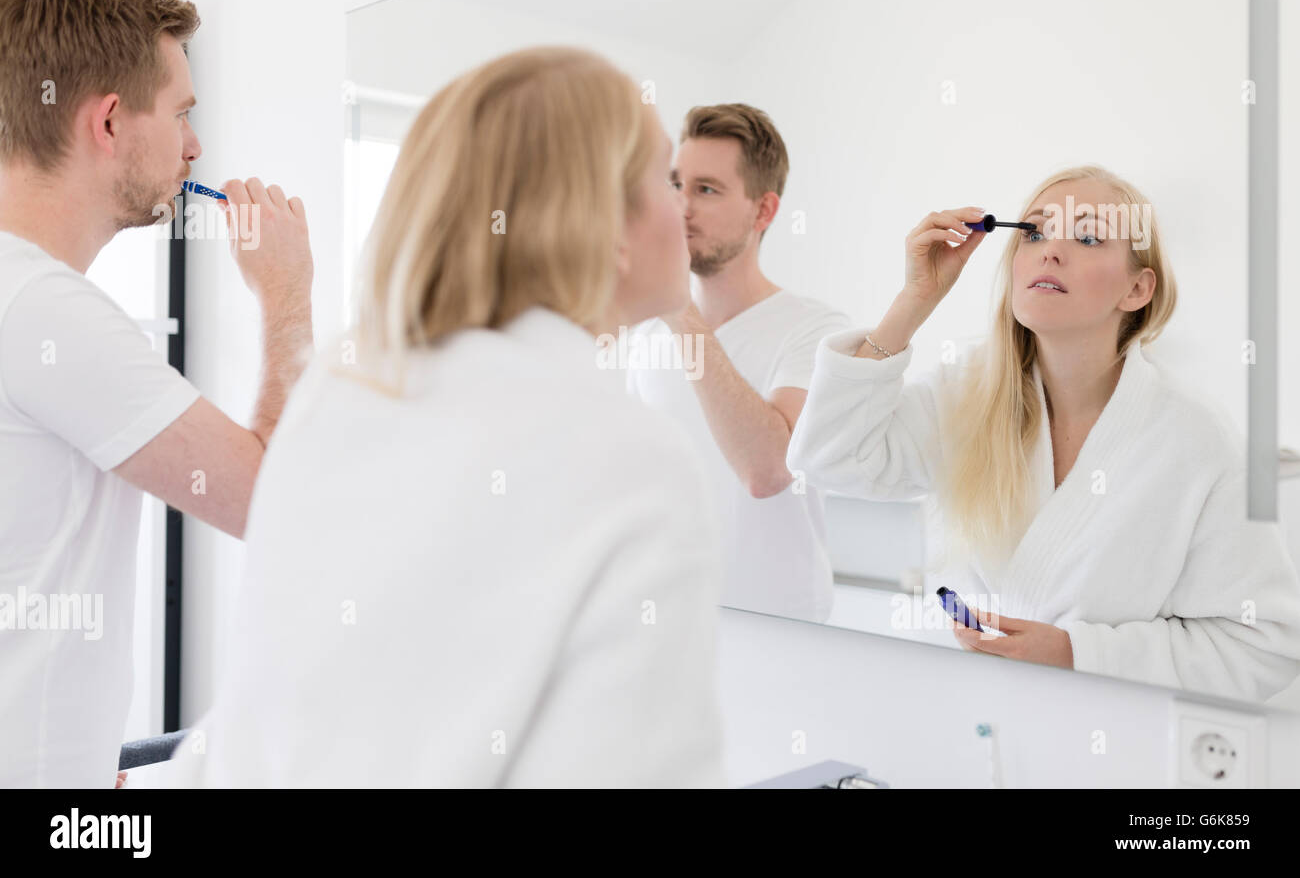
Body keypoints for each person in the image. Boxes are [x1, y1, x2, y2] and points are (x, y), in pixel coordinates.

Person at [161, 46, 727, 787]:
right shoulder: (635, 461)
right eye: (665, 177)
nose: (684, 207)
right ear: (605, 225)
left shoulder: (343, 384)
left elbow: (264, 713)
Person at [787, 165, 1300, 701]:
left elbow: (1264, 645)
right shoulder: (966, 390)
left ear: (1137, 288)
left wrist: (1077, 653)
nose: (1050, 251)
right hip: (970, 727)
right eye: (1033, 231)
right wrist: (914, 300)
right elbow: (829, 461)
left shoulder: (1196, 442)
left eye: (1088, 236)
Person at [0, 0, 314, 787]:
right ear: (108, 121)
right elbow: (277, 505)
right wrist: (286, 294)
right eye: (181, 113)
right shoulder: (46, 310)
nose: (196, 147)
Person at [627, 104, 849, 623]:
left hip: (783, 630)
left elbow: (767, 469)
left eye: (706, 190)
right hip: (672, 622)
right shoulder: (643, 337)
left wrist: (678, 308)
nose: (680, 207)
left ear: (764, 211)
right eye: (675, 185)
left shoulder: (816, 331)